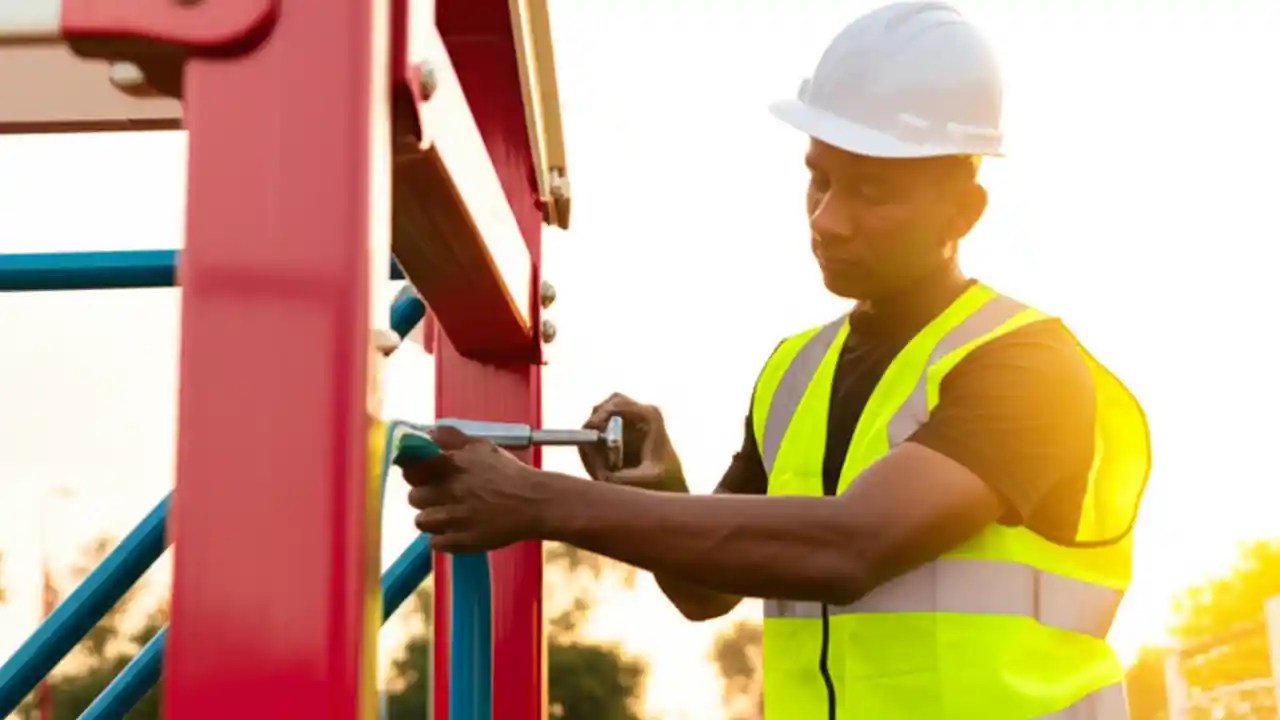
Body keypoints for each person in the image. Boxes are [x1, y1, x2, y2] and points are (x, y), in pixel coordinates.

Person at [402, 2, 1151, 718]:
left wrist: (537, 502)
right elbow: (706, 592)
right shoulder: (798, 371)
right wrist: (664, 486)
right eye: (818, 178)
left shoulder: (1029, 368)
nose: (829, 220)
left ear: (964, 212)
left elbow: (852, 547)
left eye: (871, 193)